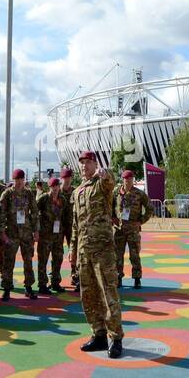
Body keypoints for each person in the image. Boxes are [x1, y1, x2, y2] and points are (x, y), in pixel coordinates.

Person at [70, 151, 123, 358]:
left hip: (103, 251)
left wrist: (106, 173)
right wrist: (73, 250)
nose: (84, 166)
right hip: (84, 251)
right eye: (82, 163)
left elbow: (111, 180)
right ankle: (98, 334)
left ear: (95, 165)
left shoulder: (101, 185)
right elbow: (75, 224)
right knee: (88, 295)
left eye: (88, 163)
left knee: (108, 293)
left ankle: (115, 338)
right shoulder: (77, 192)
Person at [0, 168, 38, 300]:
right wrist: (2, 232)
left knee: (28, 261)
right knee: (8, 261)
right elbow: (1, 214)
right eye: (16, 179)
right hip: (12, 233)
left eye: (21, 179)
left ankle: (29, 287)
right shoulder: (7, 194)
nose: (19, 182)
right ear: (13, 180)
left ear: (24, 179)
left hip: (26, 233)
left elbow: (35, 213)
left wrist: (36, 231)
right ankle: (7, 288)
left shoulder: (29, 193)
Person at [113, 169, 153, 288]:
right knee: (117, 255)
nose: (128, 181)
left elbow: (150, 208)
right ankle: (118, 277)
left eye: (130, 179)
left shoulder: (139, 194)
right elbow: (109, 205)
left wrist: (140, 221)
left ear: (133, 180)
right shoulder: (116, 192)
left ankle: (137, 278)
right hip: (119, 230)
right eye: (126, 179)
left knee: (134, 255)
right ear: (122, 179)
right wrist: (112, 217)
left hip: (133, 230)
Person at [36, 177, 71, 294]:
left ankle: (55, 282)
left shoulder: (63, 199)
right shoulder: (43, 199)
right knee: (43, 260)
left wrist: (66, 231)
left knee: (58, 259)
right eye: (53, 186)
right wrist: (36, 229)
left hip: (58, 235)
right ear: (49, 187)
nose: (55, 188)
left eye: (57, 185)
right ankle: (42, 284)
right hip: (45, 235)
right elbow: (34, 213)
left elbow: (66, 216)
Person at [60, 167, 78, 290]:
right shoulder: (56, 191)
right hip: (58, 228)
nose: (66, 180)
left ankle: (75, 276)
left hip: (73, 227)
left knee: (74, 252)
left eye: (68, 178)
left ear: (71, 178)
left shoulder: (76, 192)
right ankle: (55, 277)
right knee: (57, 252)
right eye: (64, 178)